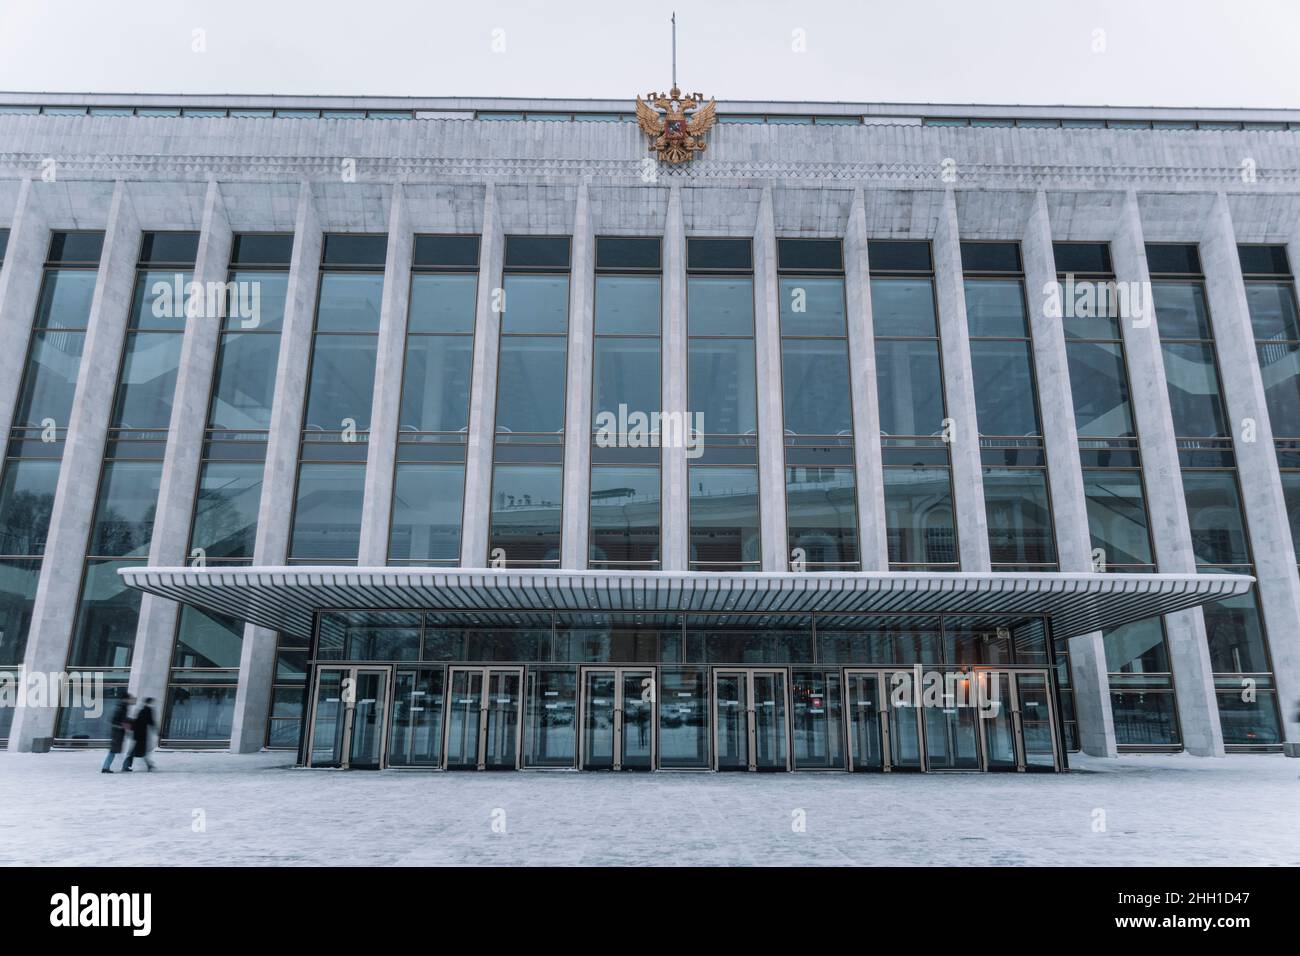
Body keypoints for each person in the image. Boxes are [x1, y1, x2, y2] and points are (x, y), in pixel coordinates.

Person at [101, 694, 134, 773]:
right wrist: (122, 725)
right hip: (117, 732)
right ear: (125, 699)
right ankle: (105, 767)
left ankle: (122, 766)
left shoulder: (123, 706)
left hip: (118, 732)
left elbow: (122, 719)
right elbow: (115, 720)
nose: (130, 701)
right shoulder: (121, 707)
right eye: (129, 699)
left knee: (115, 750)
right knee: (113, 750)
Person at [122, 697, 156, 772]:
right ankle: (126, 765)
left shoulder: (142, 710)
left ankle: (148, 765)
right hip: (141, 734)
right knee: (137, 751)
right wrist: (156, 730)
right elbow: (151, 721)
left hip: (138, 734)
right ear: (149, 703)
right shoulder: (148, 710)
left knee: (139, 751)